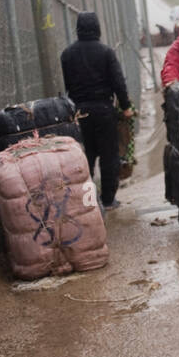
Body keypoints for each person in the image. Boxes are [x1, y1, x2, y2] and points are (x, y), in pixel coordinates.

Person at [60, 12, 134, 210]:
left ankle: (87, 199)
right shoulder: (106, 52)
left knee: (86, 156)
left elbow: (66, 85)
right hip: (103, 109)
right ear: (98, 28)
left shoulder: (67, 54)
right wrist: (126, 106)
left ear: (78, 29)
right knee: (109, 155)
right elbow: (118, 82)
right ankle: (109, 199)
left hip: (79, 110)